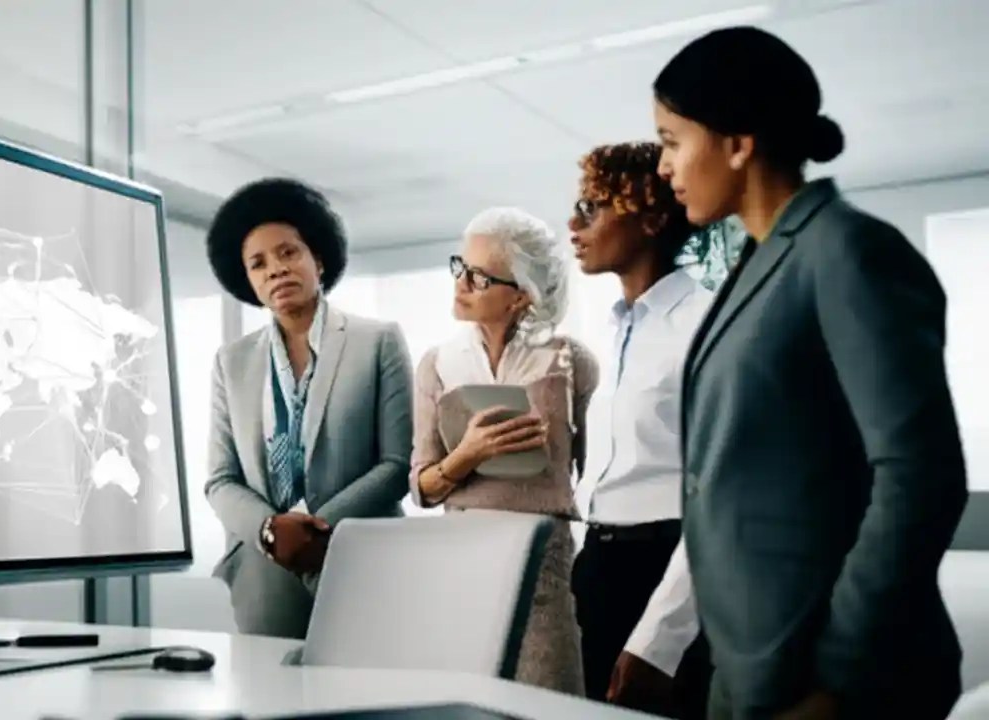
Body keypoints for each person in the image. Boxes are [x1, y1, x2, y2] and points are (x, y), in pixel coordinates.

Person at [653, 26, 968, 719]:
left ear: (737, 143)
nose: (663, 165)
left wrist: (840, 678)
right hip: (754, 666)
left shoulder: (848, 251)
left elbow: (920, 475)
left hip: (834, 681)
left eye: (673, 139)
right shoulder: (756, 264)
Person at [203, 177, 415, 639]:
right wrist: (270, 531)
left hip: (363, 562)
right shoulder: (231, 361)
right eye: (257, 264)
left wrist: (318, 530)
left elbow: (398, 464)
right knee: (270, 703)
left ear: (318, 258)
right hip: (265, 571)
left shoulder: (377, 341)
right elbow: (219, 479)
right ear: (248, 281)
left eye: (287, 253)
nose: (275, 270)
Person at [409, 206, 595, 693]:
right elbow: (422, 488)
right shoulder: (438, 364)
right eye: (460, 267)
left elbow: (593, 471)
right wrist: (465, 456)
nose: (460, 283)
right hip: (462, 563)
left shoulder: (571, 361)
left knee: (548, 704)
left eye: (478, 277)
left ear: (521, 297)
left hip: (544, 568)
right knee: (470, 703)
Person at [567, 142, 714, 719]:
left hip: (664, 564)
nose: (573, 225)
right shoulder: (621, 329)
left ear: (652, 218)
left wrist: (662, 637)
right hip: (601, 565)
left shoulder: (701, 324)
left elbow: (715, 499)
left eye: (591, 207)